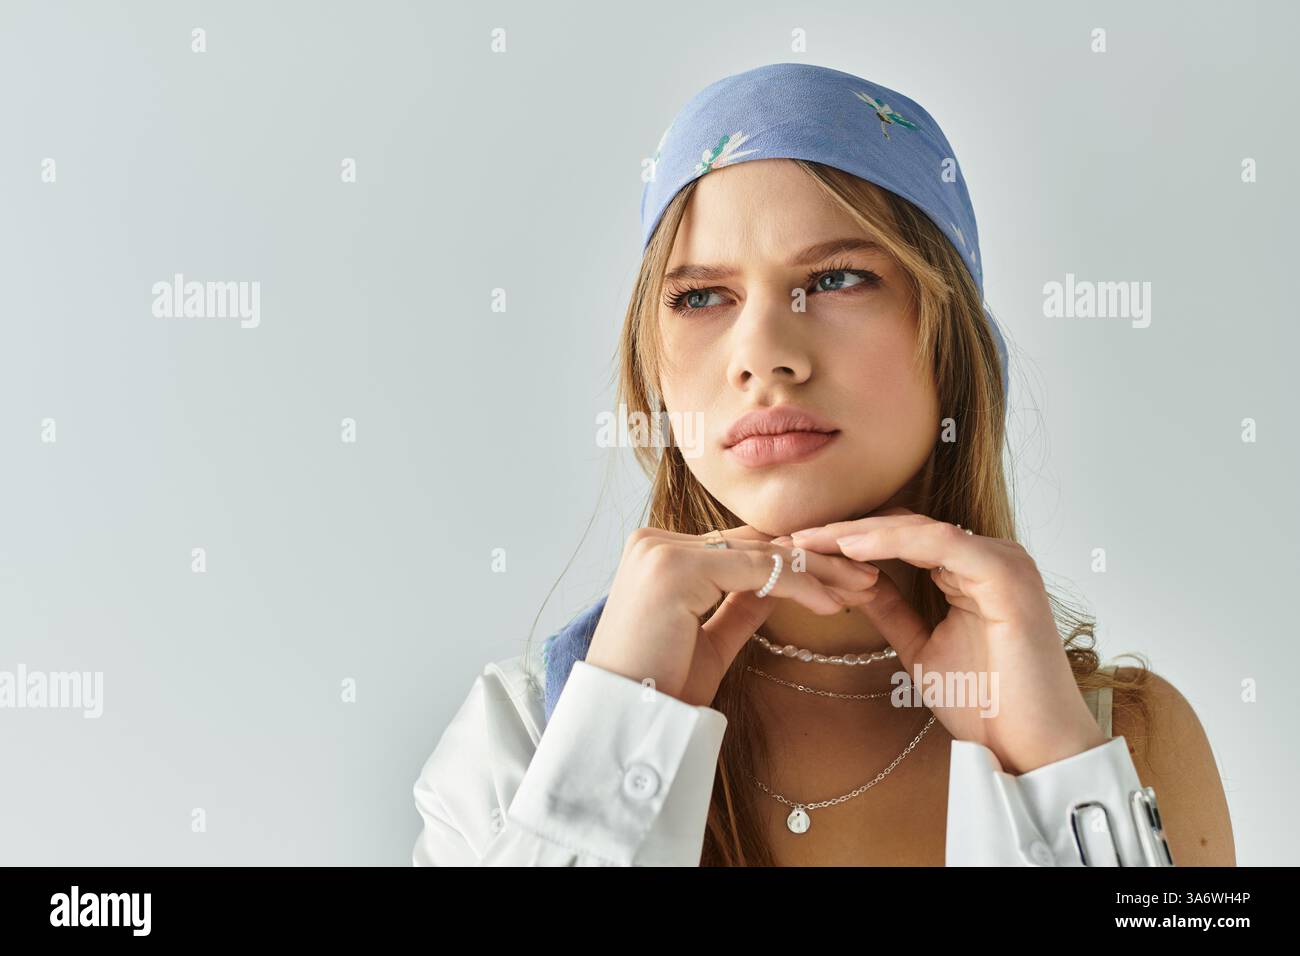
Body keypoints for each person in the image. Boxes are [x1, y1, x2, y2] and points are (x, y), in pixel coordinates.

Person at [411, 62, 1235, 867]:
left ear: (950, 344)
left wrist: (1056, 774)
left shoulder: (1121, 742)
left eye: (837, 279)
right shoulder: (517, 741)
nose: (764, 355)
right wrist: (609, 755)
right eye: (701, 297)